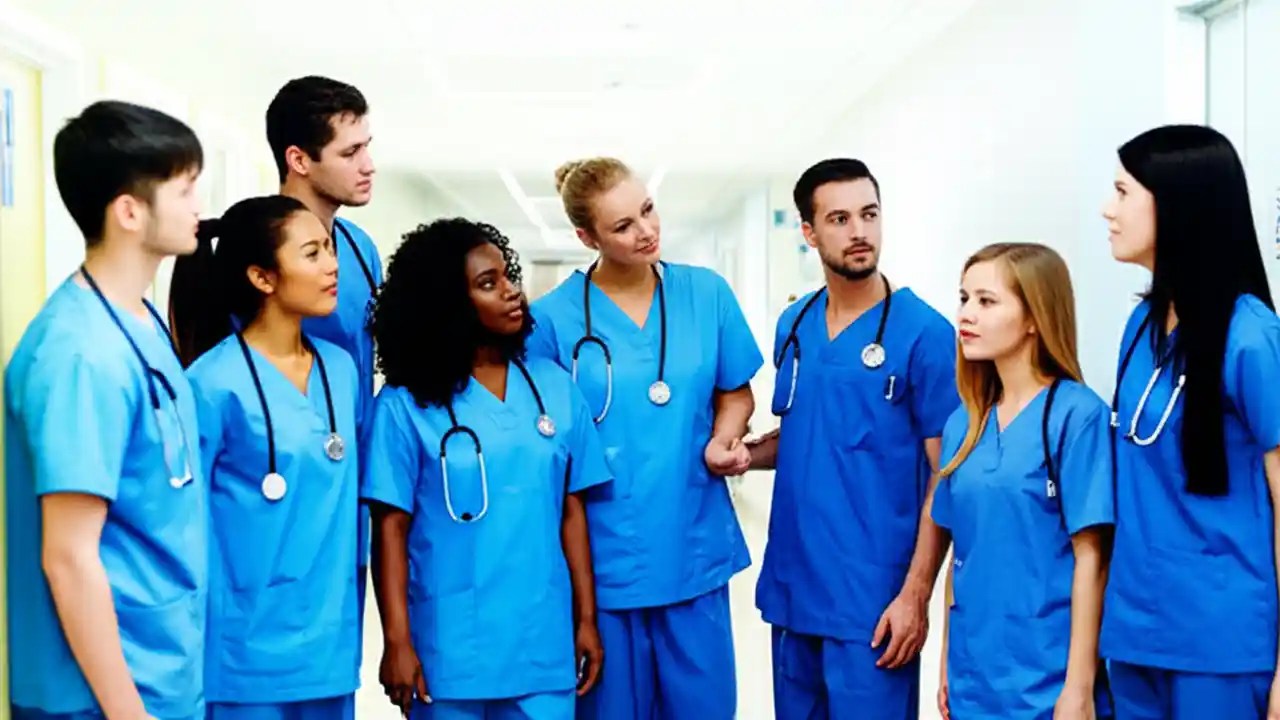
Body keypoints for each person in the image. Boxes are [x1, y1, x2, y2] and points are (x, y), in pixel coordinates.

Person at [527, 157, 764, 719]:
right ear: (587, 237)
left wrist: (725, 438)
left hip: (691, 546)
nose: (647, 231)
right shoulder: (551, 321)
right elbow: (545, 444)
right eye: (623, 226)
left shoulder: (706, 293)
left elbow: (737, 391)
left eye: (648, 211)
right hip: (603, 565)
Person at [4, 100, 206, 719]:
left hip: (160, 669)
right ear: (129, 211)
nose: (200, 205)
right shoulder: (78, 355)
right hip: (100, 698)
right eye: (186, 188)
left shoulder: (140, 321)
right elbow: (68, 555)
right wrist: (128, 713)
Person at [363, 218, 610, 719]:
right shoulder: (403, 405)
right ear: (448, 303)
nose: (512, 292)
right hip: (449, 651)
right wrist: (397, 642)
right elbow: (390, 528)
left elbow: (571, 510)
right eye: (488, 284)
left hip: (541, 643)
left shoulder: (554, 387)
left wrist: (585, 618)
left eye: (507, 276)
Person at [746, 158, 958, 719]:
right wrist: (743, 455)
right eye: (839, 218)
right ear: (810, 233)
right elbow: (804, 432)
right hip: (794, 591)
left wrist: (916, 595)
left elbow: (947, 478)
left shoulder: (926, 335)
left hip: (872, 602)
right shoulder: (794, 324)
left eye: (869, 214)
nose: (859, 231)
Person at [1100, 124, 1280, 719]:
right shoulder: (1141, 328)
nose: (1109, 209)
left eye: (1123, 193)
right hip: (1134, 632)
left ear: (1175, 202)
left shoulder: (1251, 336)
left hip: (1220, 643)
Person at [167, 194, 362, 719]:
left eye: (329, 248)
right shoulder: (210, 384)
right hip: (244, 653)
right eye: (312, 253)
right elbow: (183, 527)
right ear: (262, 277)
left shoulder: (341, 371)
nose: (332, 264)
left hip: (328, 647)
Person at [931, 242, 1113, 720]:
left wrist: (1080, 687)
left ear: (1034, 317)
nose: (966, 314)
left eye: (986, 301)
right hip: (974, 678)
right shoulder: (963, 425)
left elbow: (1091, 559)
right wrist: (947, 663)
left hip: (1046, 681)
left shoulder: (1076, 416)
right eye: (964, 298)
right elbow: (960, 554)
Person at [266, 74, 382, 629]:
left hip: (348, 494)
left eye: (368, 148)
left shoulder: (361, 252)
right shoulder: (254, 247)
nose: (367, 165)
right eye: (351, 151)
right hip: (280, 495)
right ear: (300, 159)